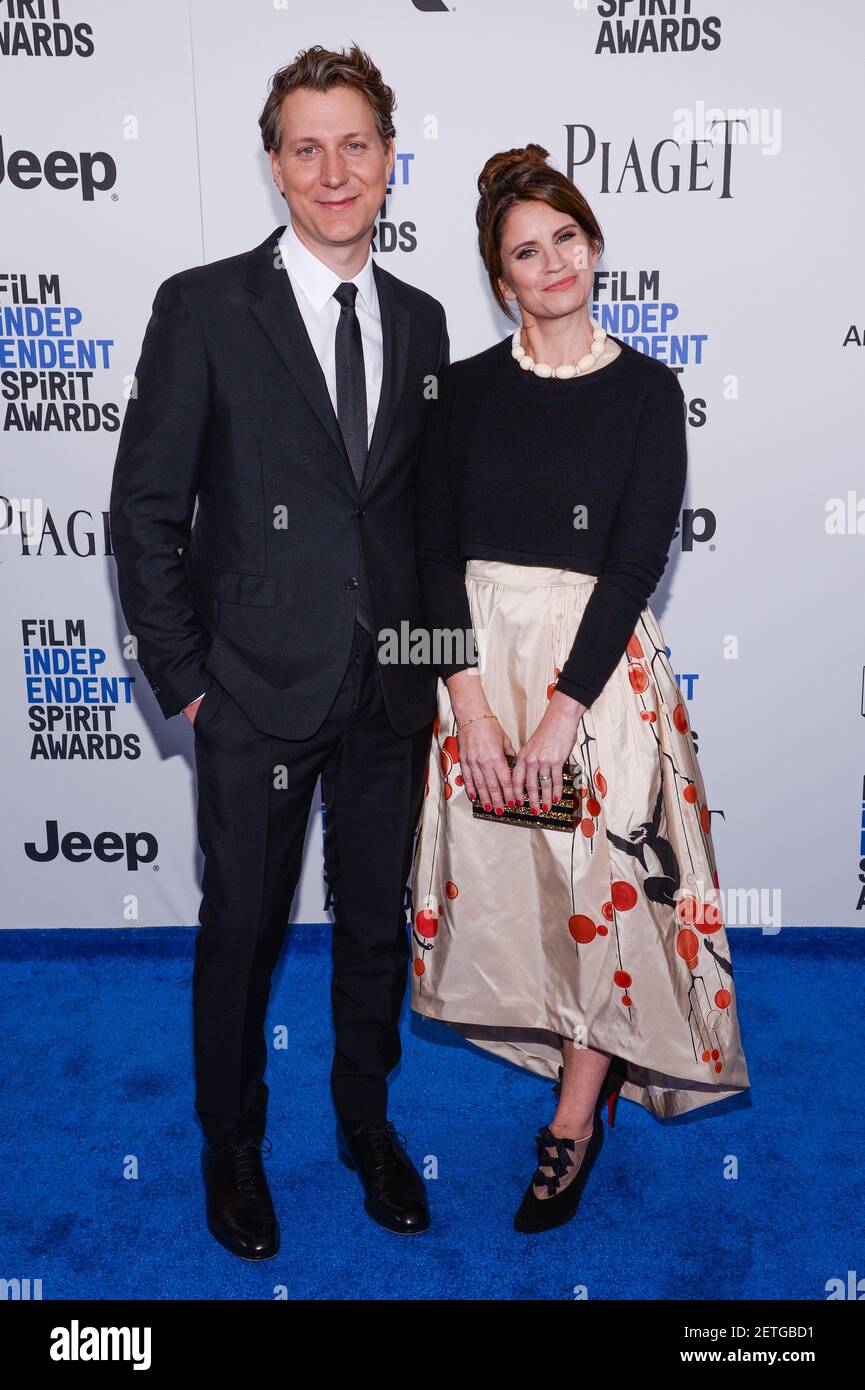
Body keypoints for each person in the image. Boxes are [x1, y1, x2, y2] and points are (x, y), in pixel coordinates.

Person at [110, 45, 448, 1257]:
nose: (333, 168)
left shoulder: (420, 319)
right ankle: (232, 1145)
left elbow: (419, 518)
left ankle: (365, 1124)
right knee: (242, 930)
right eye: (305, 147)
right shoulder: (202, 306)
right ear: (273, 167)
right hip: (248, 690)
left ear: (388, 159)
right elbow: (145, 512)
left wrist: (434, 667)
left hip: (385, 698)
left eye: (354, 142)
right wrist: (190, 687)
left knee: (371, 929)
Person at [410, 143, 750, 1234]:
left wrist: (562, 711)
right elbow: (425, 556)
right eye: (525, 250)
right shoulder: (456, 392)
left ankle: (571, 1120)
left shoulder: (650, 390)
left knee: (600, 902)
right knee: (522, 899)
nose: (551, 262)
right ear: (499, 276)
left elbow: (634, 561)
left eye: (566, 238)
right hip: (476, 670)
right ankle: (575, 1090)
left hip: (595, 683)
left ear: (593, 247)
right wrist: (467, 703)